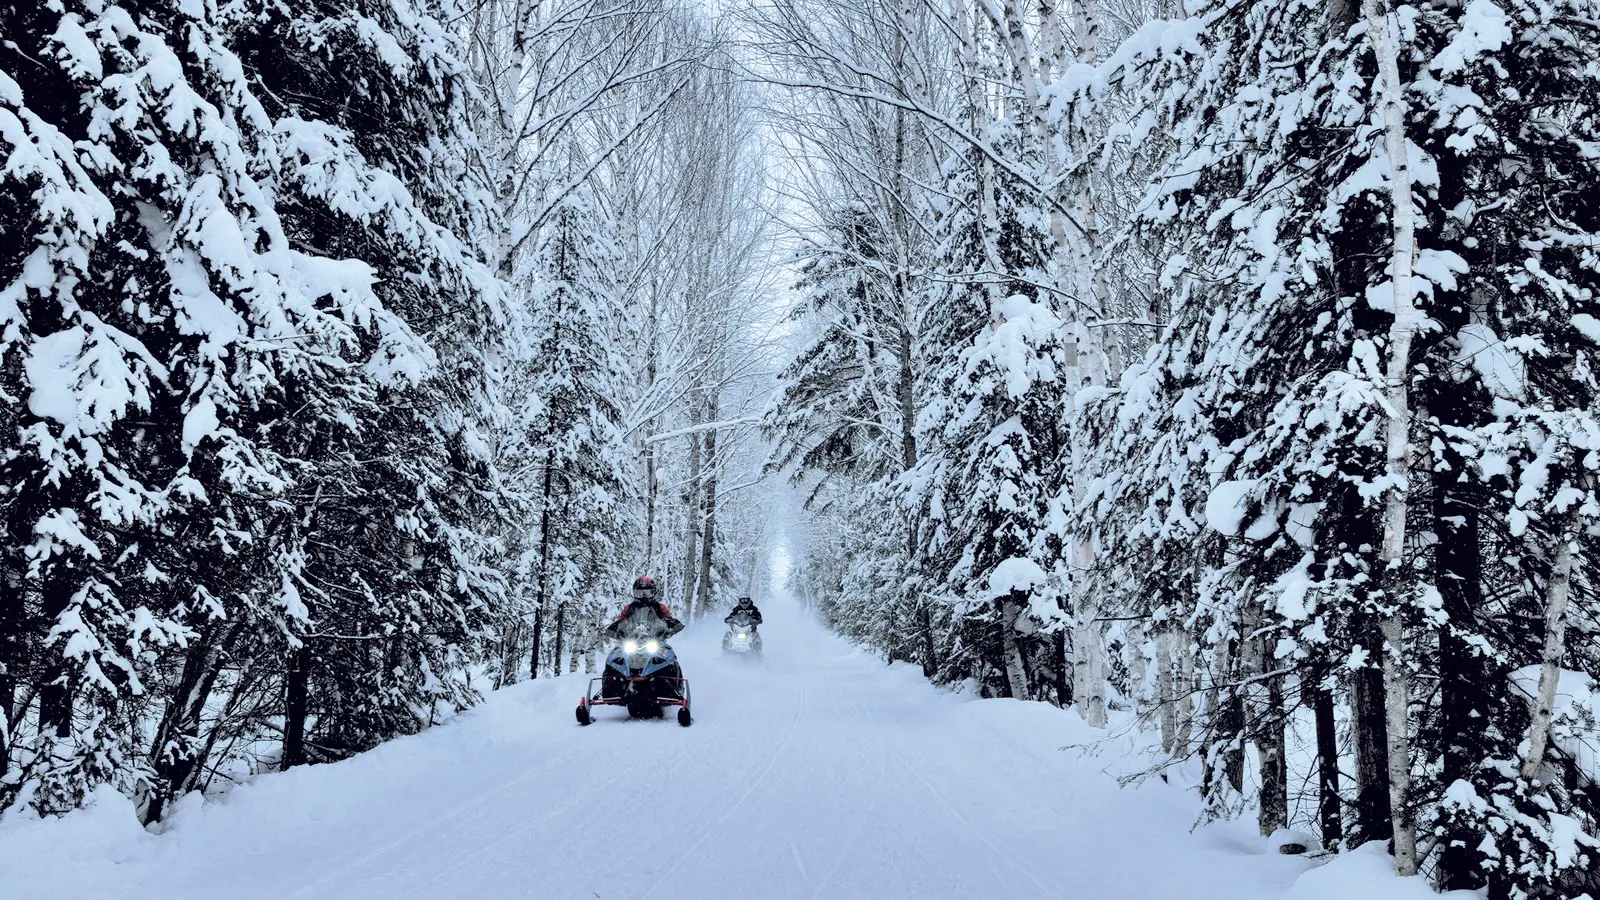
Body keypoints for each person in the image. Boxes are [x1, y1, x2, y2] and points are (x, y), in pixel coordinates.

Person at [605, 575, 684, 638]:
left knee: (667, 653)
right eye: (639, 593)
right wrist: (616, 629)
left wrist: (671, 625)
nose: (643, 596)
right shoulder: (630, 608)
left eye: (647, 592)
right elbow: (622, 621)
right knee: (616, 655)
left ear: (654, 592)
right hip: (632, 639)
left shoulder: (659, 607)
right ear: (634, 593)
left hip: (655, 640)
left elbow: (667, 619)